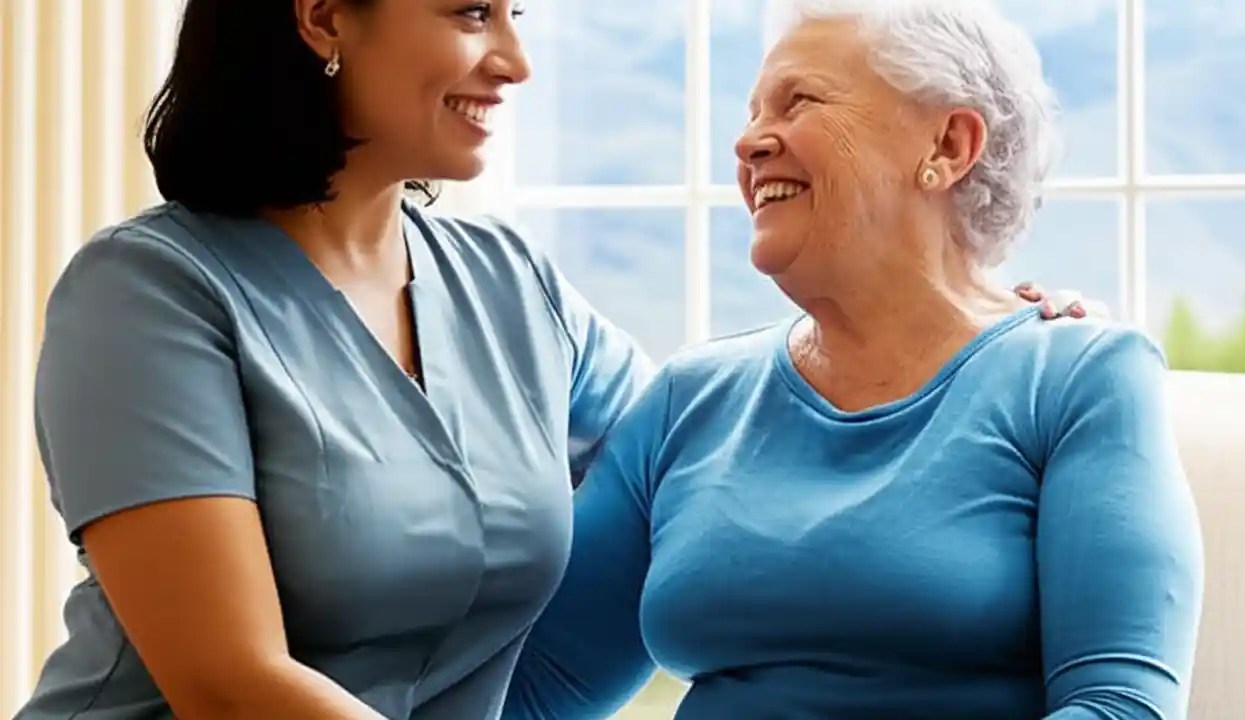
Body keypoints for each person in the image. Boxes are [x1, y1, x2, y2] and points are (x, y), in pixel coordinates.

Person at [17, 1, 1090, 718]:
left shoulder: (508, 285)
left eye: (514, 15)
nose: (515, 61)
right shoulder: (148, 294)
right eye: (469, 13)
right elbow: (227, 685)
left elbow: (716, 455)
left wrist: (980, 334)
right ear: (325, 15)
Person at [503, 2, 1204, 719]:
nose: (747, 143)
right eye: (751, 113)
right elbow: (526, 691)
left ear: (948, 145)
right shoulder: (689, 399)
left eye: (798, 101)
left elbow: (1121, 706)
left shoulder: (1080, 378)